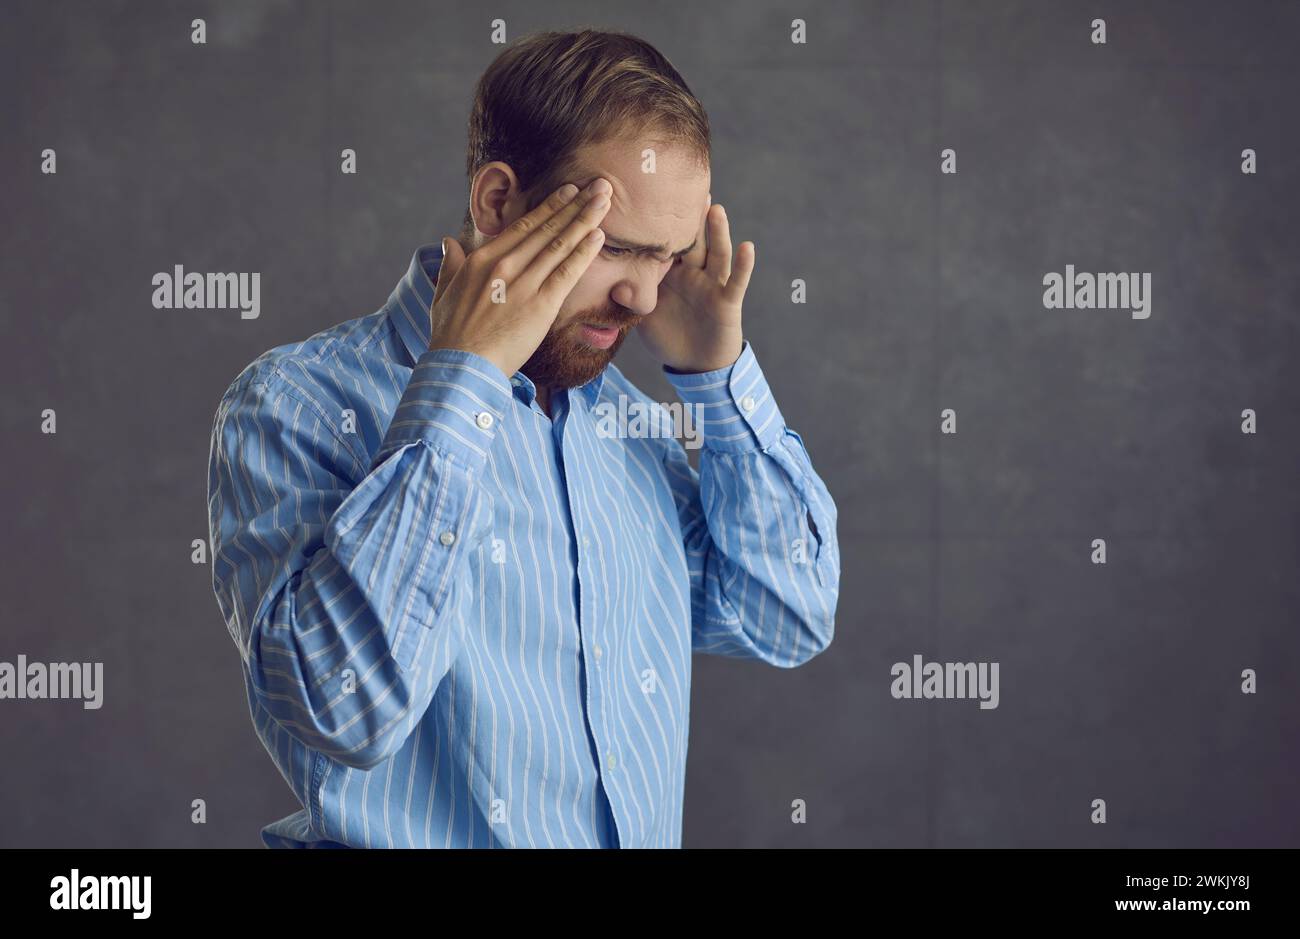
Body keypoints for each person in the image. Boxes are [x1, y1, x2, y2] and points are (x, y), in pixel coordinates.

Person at [206, 28, 840, 848]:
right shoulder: (293, 403)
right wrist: (463, 380)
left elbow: (784, 614)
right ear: (499, 200)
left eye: (669, 258)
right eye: (616, 248)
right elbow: (346, 709)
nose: (643, 297)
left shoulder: (631, 427)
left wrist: (718, 379)